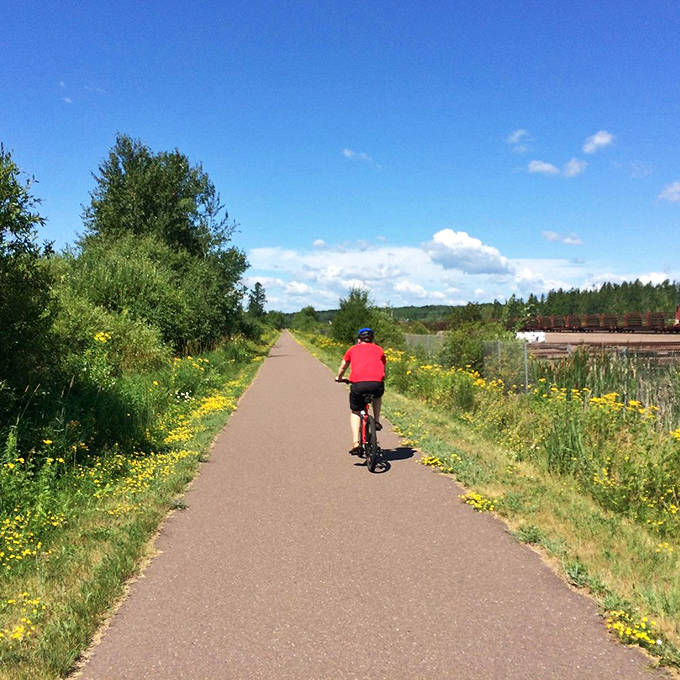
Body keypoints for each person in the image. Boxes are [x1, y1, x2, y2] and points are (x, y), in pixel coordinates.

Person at [335, 327, 386, 455]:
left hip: (358, 385)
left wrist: (339, 378)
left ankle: (356, 442)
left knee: (355, 411)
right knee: (377, 397)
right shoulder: (379, 349)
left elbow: (343, 366)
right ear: (372, 339)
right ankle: (377, 421)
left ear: (359, 339)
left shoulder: (352, 349)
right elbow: (382, 365)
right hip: (376, 383)